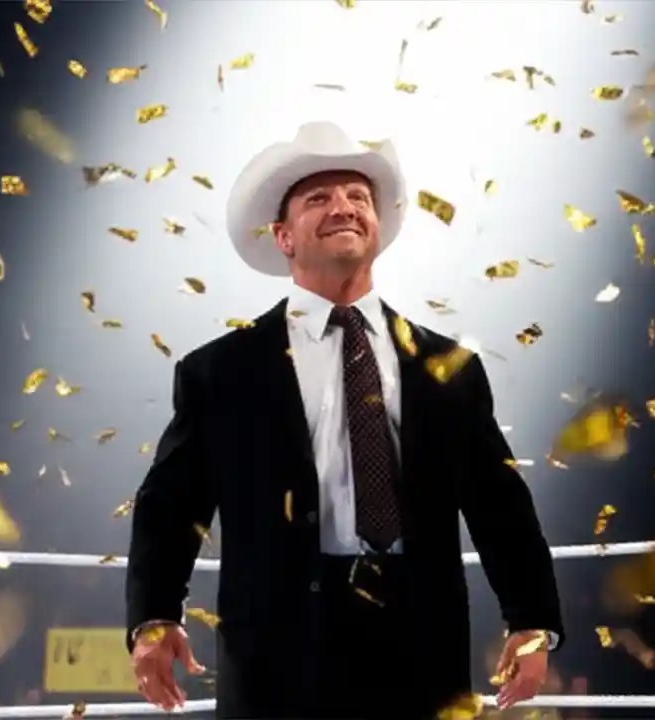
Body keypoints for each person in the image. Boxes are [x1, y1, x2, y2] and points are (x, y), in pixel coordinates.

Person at [125, 121, 565, 718]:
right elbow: (172, 505)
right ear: (283, 236)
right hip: (278, 648)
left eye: (358, 197)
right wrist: (154, 616)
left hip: (419, 638)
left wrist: (532, 619)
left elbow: (500, 503)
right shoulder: (221, 370)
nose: (345, 208)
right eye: (319, 198)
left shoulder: (450, 367)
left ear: (377, 227)